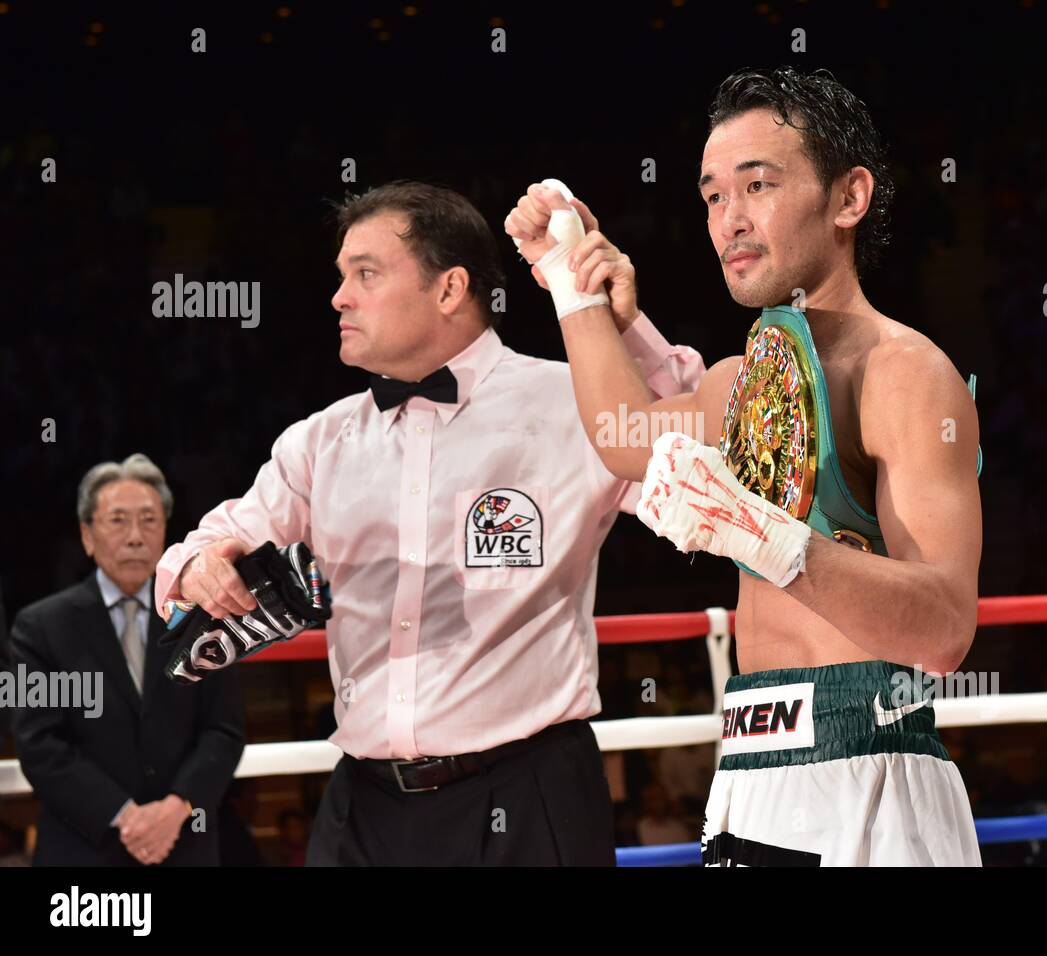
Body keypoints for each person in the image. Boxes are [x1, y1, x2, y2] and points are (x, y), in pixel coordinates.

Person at [506, 66, 982, 866]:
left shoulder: (902, 372)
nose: (730, 219)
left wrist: (768, 537)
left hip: (865, 761)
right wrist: (570, 281)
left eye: (757, 185)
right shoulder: (745, 379)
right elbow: (625, 438)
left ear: (848, 197)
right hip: (750, 766)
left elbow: (943, 630)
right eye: (713, 196)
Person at [154, 181, 704, 866]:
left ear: (449, 290)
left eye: (366, 274)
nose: (339, 297)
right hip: (364, 805)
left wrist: (617, 323)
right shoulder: (321, 442)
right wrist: (199, 565)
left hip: (529, 793)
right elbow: (201, 549)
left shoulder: (570, 402)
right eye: (340, 276)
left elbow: (697, 460)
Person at [11, 453, 244, 865]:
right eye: (118, 520)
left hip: (184, 845)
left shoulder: (205, 617)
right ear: (86, 535)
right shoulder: (39, 627)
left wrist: (174, 810)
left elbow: (223, 730)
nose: (136, 536)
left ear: (167, 532)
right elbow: (39, 744)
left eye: (149, 520)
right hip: (84, 848)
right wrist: (127, 817)